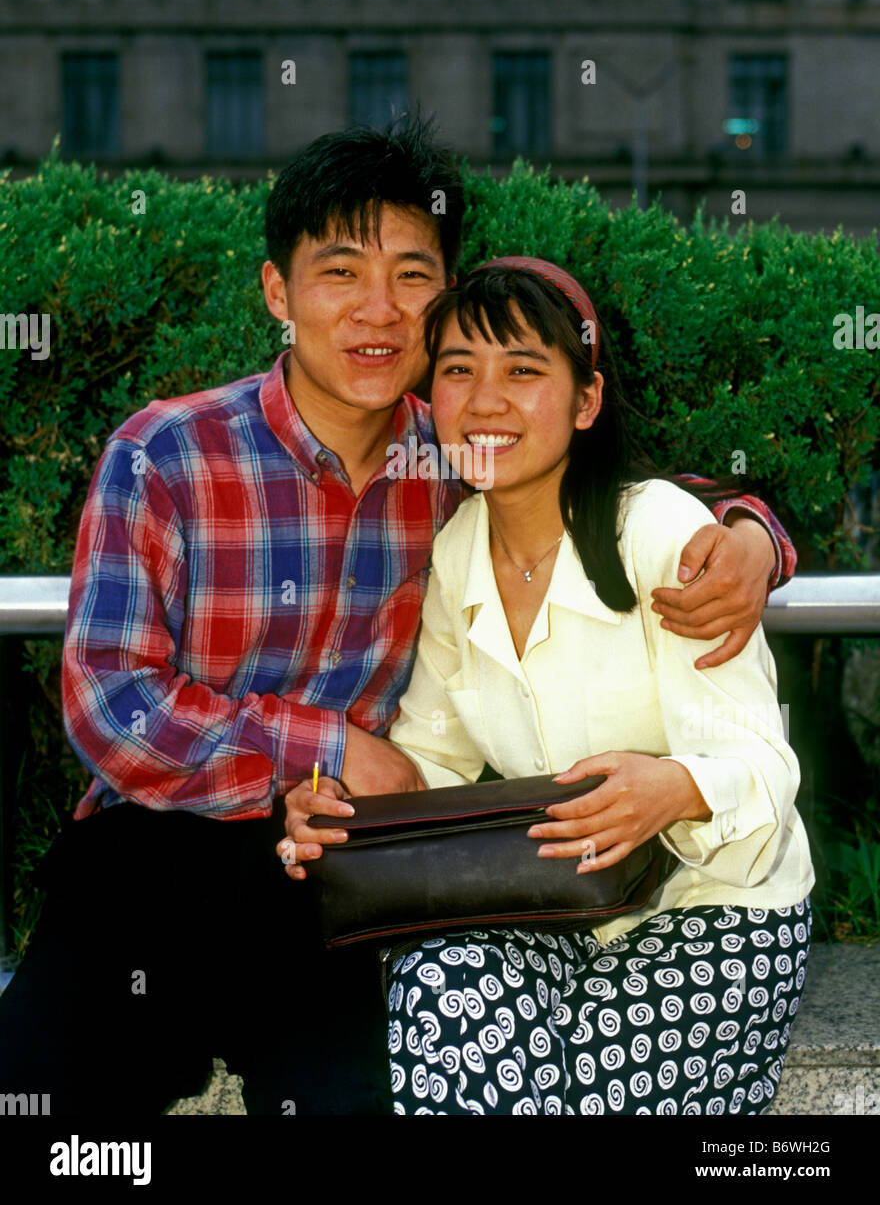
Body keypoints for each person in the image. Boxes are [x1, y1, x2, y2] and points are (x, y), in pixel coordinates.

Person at [0, 118, 795, 1117]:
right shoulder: (166, 455)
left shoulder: (462, 454)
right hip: (151, 866)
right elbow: (110, 705)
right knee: (35, 1103)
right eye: (340, 272)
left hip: (337, 883)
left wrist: (754, 532)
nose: (378, 311)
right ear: (278, 293)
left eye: (413, 277)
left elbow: (607, 489)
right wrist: (322, 744)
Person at [286, 257, 814, 1117]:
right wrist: (342, 806)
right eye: (459, 369)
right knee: (442, 980)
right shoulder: (456, 550)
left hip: (716, 907)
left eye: (524, 370)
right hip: (552, 899)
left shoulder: (663, 535)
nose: (485, 400)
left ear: (586, 401)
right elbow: (435, 758)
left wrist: (672, 788)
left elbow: (763, 769)